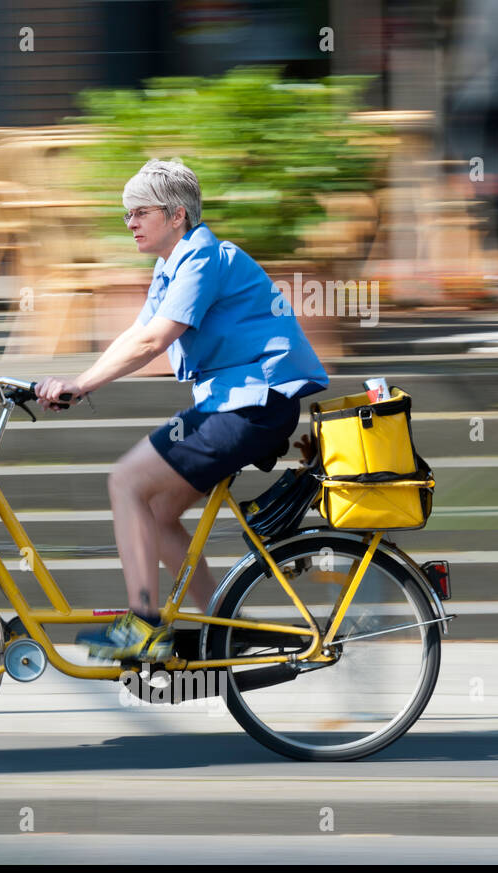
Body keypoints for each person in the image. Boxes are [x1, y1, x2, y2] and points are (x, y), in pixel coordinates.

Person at [35, 159, 329, 661]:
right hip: (235, 405)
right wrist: (76, 383)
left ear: (177, 215)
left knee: (126, 481)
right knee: (156, 511)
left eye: (140, 212)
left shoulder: (202, 257)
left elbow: (154, 341)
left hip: (251, 406)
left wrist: (81, 385)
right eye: (127, 214)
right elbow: (136, 333)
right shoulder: (172, 264)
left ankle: (143, 625)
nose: (130, 223)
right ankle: (223, 621)